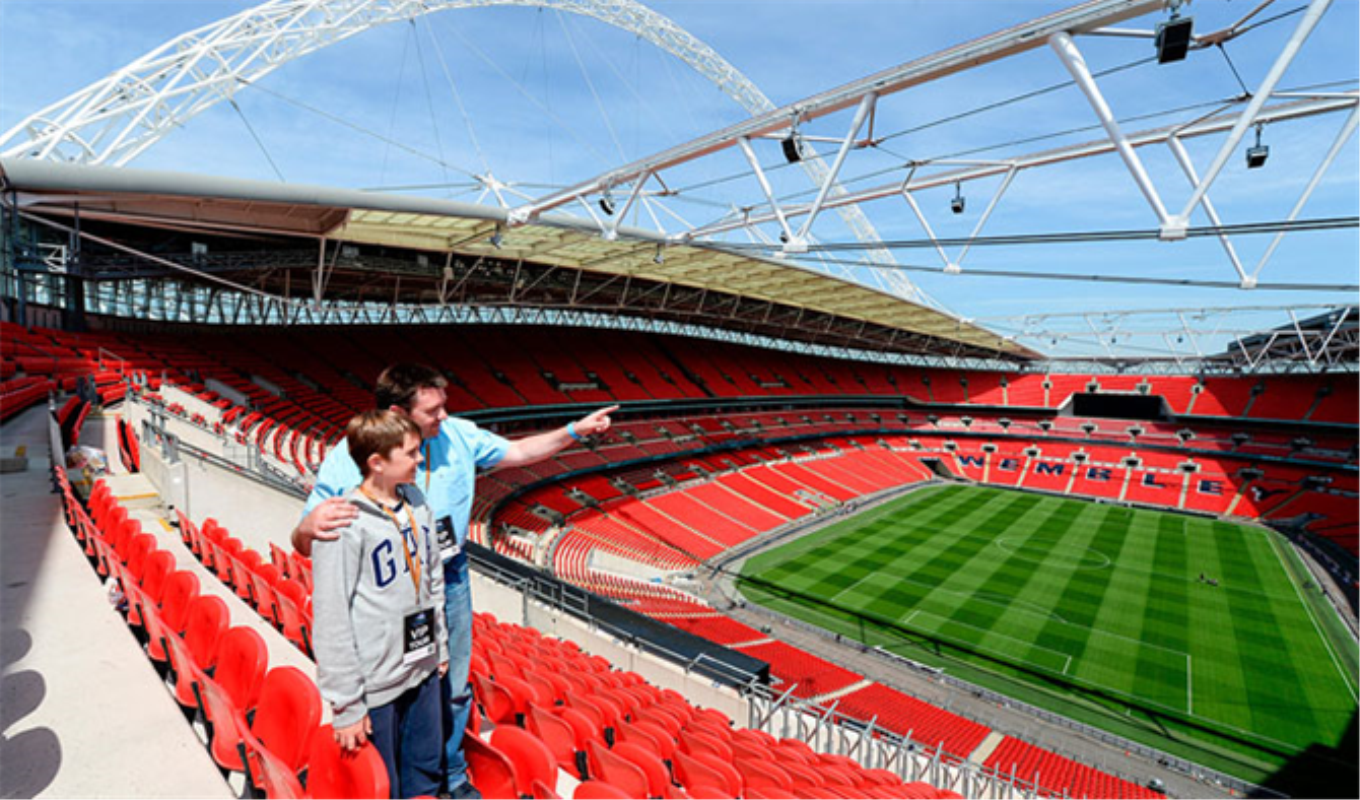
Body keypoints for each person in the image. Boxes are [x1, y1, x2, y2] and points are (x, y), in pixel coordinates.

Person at [294, 364, 615, 800]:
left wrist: (575, 431)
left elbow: (518, 453)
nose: (444, 416)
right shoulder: (351, 454)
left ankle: (448, 772)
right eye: (432, 410)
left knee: (451, 684)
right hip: (390, 588)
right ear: (398, 413)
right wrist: (309, 525)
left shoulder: (459, 435)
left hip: (445, 575)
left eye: (444, 406)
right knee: (396, 689)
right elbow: (307, 542)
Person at [312, 410, 448, 800]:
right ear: (377, 462)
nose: (420, 460)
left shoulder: (418, 501)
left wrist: (438, 643)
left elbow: (434, 576)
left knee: (425, 777)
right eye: (411, 453)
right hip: (376, 685)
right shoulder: (343, 522)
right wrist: (347, 704)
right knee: (381, 788)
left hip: (422, 670)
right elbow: (331, 616)